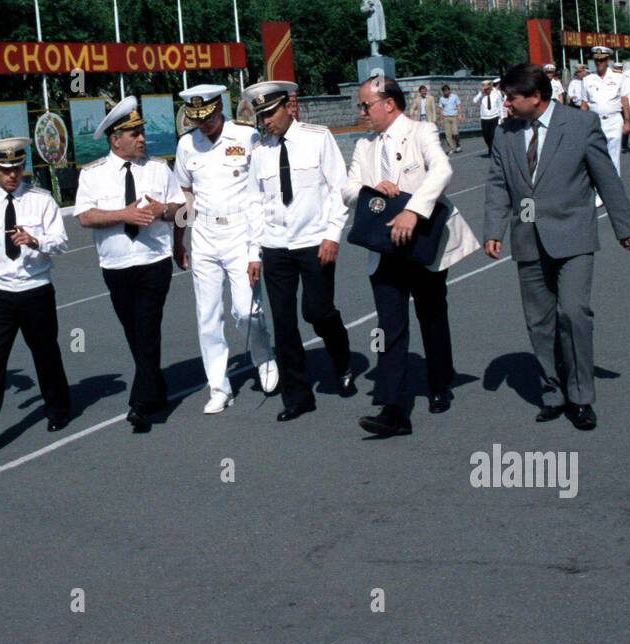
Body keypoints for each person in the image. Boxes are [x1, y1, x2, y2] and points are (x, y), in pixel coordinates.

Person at [482, 63, 630, 431]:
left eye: (511, 98)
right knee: (540, 321)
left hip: (573, 236)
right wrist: (495, 229)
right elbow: (497, 184)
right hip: (527, 238)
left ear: (535, 98)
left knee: (573, 312)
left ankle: (582, 396)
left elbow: (607, 178)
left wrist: (625, 226)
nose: (504, 104)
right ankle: (553, 392)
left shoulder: (580, 125)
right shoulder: (506, 133)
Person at [343, 75, 480, 437]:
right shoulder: (364, 146)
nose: (362, 112)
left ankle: (438, 383)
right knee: (389, 326)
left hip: (421, 241)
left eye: (365, 105)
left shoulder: (421, 131)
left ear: (388, 103)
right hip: (384, 248)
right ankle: (392, 408)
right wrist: (374, 190)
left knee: (432, 314)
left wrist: (413, 210)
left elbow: (442, 170)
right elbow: (348, 189)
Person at [246, 80, 356, 422]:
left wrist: (333, 235)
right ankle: (298, 396)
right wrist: (253, 251)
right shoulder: (259, 151)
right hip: (276, 246)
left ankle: (342, 360)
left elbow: (340, 189)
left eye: (269, 113)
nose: (265, 121)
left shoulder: (317, 138)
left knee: (318, 311)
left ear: (287, 107)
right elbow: (254, 203)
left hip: (314, 242)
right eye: (260, 115)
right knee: (283, 322)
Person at [74, 98, 185, 433]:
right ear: (114, 138)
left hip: (154, 261)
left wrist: (162, 210)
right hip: (116, 264)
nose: (141, 139)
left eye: (142, 132)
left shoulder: (158, 168)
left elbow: (183, 212)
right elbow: (85, 216)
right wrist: (123, 214)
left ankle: (140, 404)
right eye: (134, 133)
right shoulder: (92, 175)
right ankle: (157, 390)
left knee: (147, 328)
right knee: (135, 333)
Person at [0, 138, 71, 451]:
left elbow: (61, 242)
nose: (12, 174)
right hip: (0, 293)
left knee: (45, 354)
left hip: (35, 290)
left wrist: (35, 241)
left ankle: (58, 408)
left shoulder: (42, 200)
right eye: (5, 169)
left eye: (18, 168)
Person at [174, 83, 278, 414]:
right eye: (196, 119)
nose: (203, 124)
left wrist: (256, 245)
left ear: (220, 109)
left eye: (207, 117)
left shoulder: (246, 137)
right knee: (207, 316)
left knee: (246, 310)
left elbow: (261, 190)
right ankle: (219, 387)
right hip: (204, 232)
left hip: (240, 231)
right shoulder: (186, 145)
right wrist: (180, 239)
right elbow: (186, 195)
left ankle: (263, 356)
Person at [579, 46, 630, 178]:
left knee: (613, 157)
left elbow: (624, 100)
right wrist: (580, 124)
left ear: (607, 60)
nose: (599, 63)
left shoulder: (618, 78)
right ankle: (598, 190)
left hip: (614, 121)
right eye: (596, 60)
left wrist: (627, 122)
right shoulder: (587, 80)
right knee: (596, 157)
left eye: (602, 60)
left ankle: (613, 191)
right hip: (595, 123)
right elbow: (584, 104)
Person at [473, 78, 503, 155]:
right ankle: (490, 147)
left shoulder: (496, 94)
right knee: (486, 136)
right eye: (485, 89)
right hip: (484, 118)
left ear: (491, 88)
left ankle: (493, 150)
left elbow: (500, 106)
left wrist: (502, 117)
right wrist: (481, 93)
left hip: (494, 117)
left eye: (488, 89)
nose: (486, 90)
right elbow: (474, 101)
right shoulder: (481, 95)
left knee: (493, 135)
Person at [438, 83, 462, 153]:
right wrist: (441, 119)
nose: (446, 92)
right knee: (448, 134)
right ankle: (451, 148)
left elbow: (458, 106)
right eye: (444, 91)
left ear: (449, 90)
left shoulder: (455, 97)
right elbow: (441, 109)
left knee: (455, 132)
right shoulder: (441, 99)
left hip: (454, 117)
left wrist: (460, 115)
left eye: (447, 90)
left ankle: (458, 144)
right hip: (446, 117)